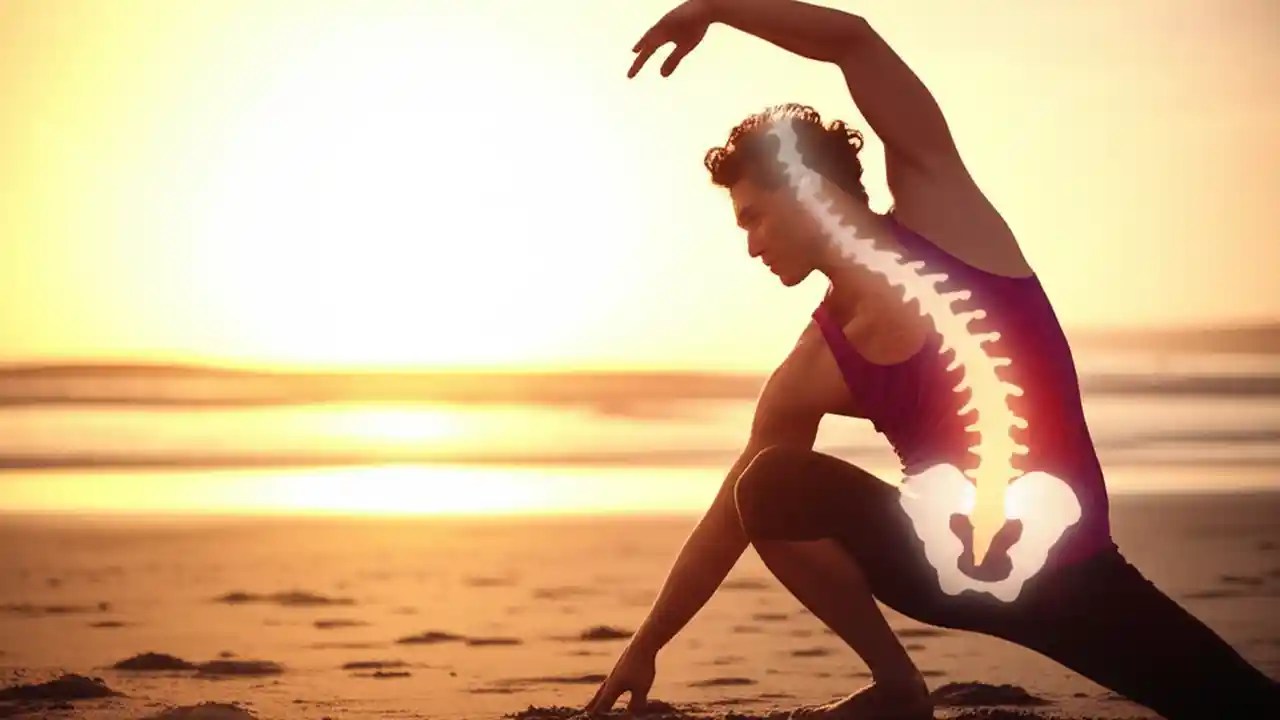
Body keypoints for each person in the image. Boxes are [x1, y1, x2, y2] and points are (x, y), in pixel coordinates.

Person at [582, 1, 1280, 719]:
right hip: (942, 573)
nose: (750, 245)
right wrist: (646, 643)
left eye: (754, 217)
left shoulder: (947, 218)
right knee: (770, 482)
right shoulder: (817, 360)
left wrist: (719, 9)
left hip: (1080, 577)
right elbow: (738, 514)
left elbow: (854, 41)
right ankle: (898, 686)